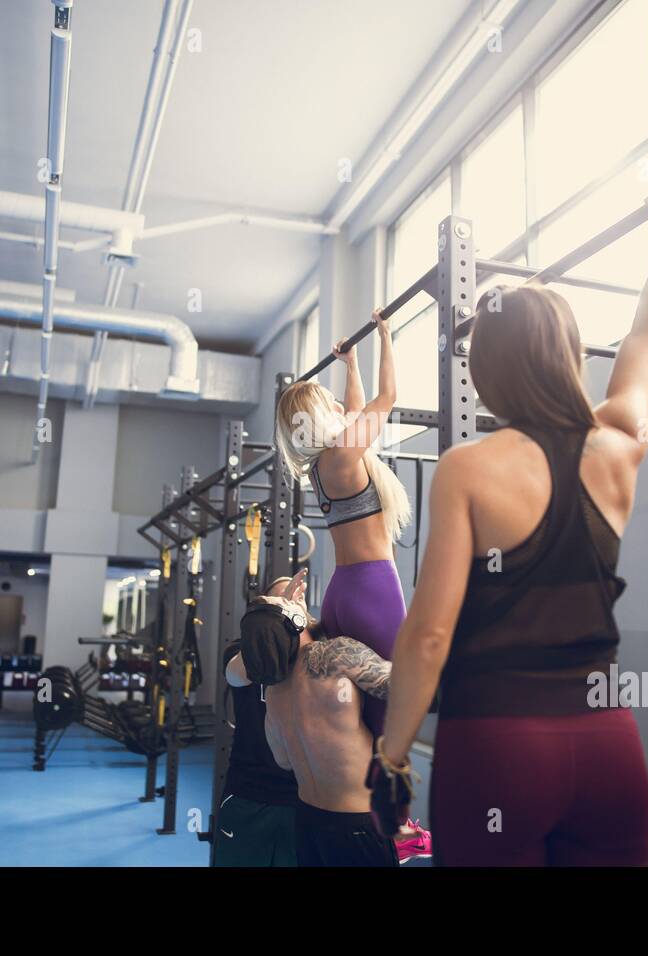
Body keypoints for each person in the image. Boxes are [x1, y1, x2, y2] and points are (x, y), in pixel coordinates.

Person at [368, 187, 648, 866]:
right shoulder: (620, 444)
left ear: (486, 371)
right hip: (609, 746)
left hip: (496, 747)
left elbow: (428, 636)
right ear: (569, 355)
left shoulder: (467, 468)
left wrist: (391, 759)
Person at [273, 310, 409, 738]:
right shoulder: (342, 456)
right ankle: (388, 808)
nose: (338, 404)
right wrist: (385, 335)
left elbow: (355, 411)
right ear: (318, 414)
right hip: (373, 588)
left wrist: (351, 364)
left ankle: (363, 803)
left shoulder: (322, 467)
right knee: (393, 712)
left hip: (342, 594)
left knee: (361, 718)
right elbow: (386, 398)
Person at [228, 570, 402, 867]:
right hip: (356, 823)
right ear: (295, 620)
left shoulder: (274, 689)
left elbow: (282, 759)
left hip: (308, 822)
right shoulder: (334, 654)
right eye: (293, 602)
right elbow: (407, 690)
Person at [214, 580, 301, 866]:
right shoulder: (237, 652)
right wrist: (279, 617)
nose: (288, 603)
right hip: (247, 794)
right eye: (279, 599)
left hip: (302, 798)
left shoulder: (315, 654)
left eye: (296, 598)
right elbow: (238, 674)